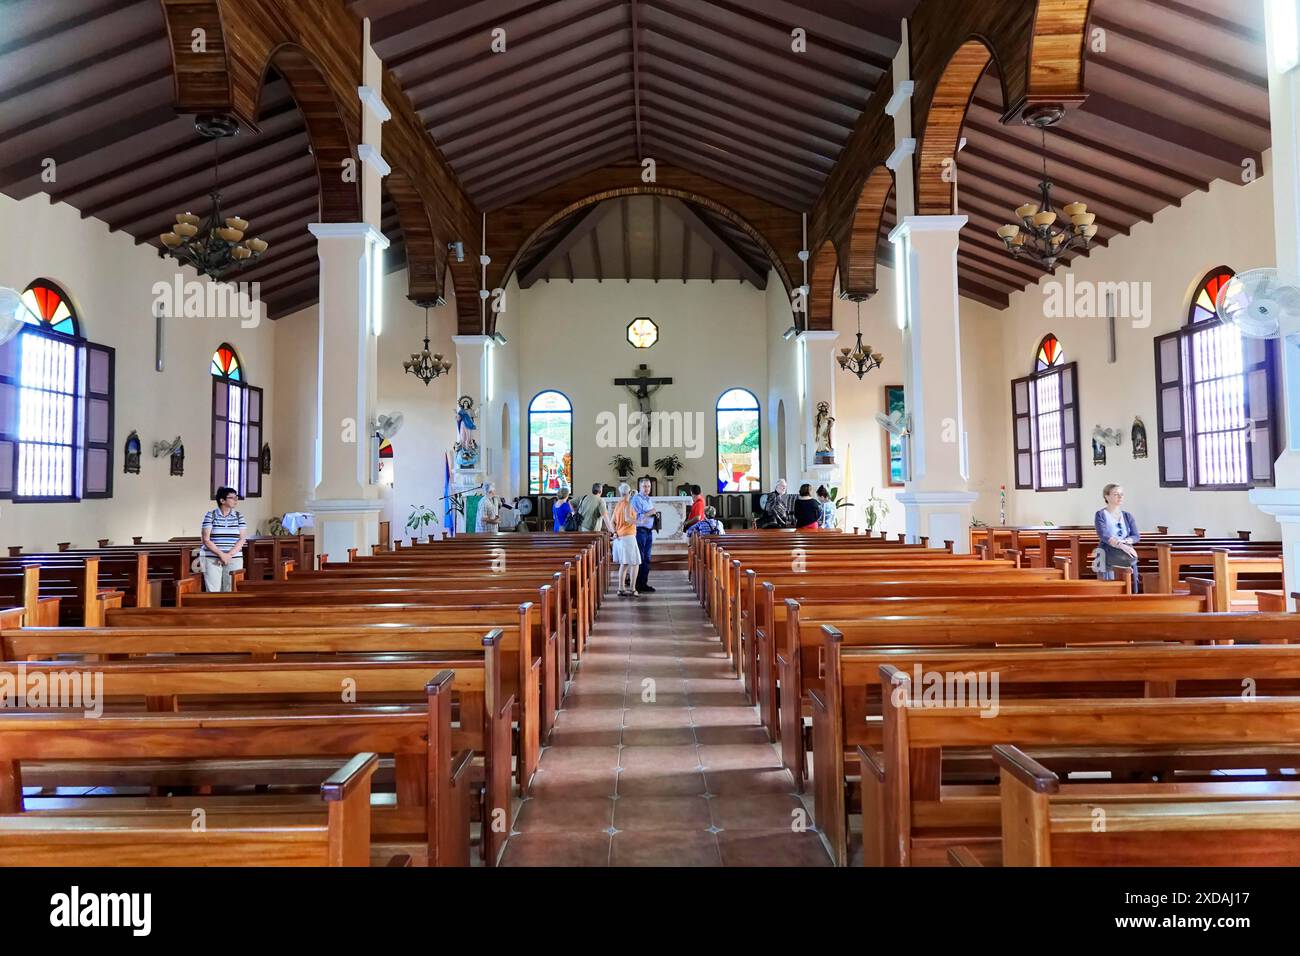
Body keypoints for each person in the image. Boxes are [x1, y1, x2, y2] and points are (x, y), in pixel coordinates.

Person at [1093, 483, 1140, 589]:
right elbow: (1103, 535)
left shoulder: (1127, 516)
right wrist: (1120, 545)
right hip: (1107, 552)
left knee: (1128, 586)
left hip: (1125, 552)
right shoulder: (1100, 514)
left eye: (1121, 494)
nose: (1120, 497)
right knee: (1108, 588)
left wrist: (1127, 541)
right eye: (1116, 494)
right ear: (1106, 496)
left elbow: (1136, 536)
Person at [200, 486, 246, 592]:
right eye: (232, 498)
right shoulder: (210, 515)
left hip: (234, 557)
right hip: (212, 558)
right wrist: (221, 555)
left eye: (236, 497)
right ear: (222, 500)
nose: (235, 500)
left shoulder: (239, 516)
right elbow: (206, 539)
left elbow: (242, 538)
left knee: (231, 589)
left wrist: (228, 555)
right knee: (213, 590)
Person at [610, 483, 642, 597]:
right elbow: (629, 519)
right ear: (628, 493)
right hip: (628, 536)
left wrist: (614, 532)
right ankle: (633, 589)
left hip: (619, 537)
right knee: (635, 563)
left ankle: (621, 588)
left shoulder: (618, 504)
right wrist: (641, 521)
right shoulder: (629, 504)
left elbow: (611, 521)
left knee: (624, 563)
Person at [631, 476, 659, 592]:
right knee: (641, 558)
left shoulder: (648, 499)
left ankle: (644, 583)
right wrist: (650, 512)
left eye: (648, 486)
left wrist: (654, 515)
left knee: (647, 558)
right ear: (640, 487)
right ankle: (638, 584)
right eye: (644, 486)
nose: (647, 489)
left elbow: (648, 513)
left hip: (648, 531)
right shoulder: (636, 499)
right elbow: (636, 517)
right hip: (640, 531)